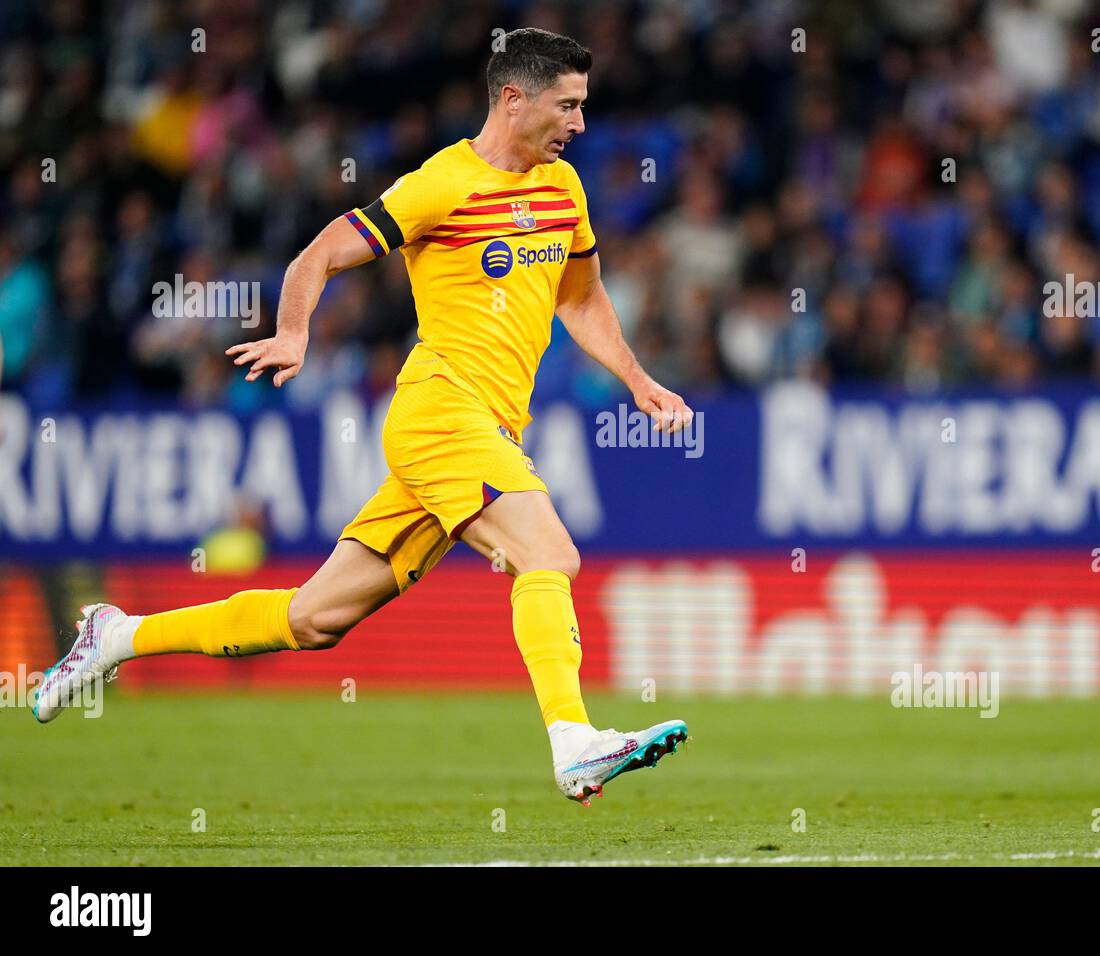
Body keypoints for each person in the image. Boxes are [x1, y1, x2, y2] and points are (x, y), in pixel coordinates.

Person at [33, 28, 692, 807]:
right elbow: (317, 254)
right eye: (569, 106)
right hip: (440, 412)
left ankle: (116, 636)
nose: (582, 124)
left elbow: (579, 299)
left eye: (584, 106)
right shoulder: (439, 186)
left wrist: (638, 380)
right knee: (548, 553)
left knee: (315, 619)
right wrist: (294, 329)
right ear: (514, 100)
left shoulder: (564, 189)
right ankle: (572, 740)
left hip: (484, 431)